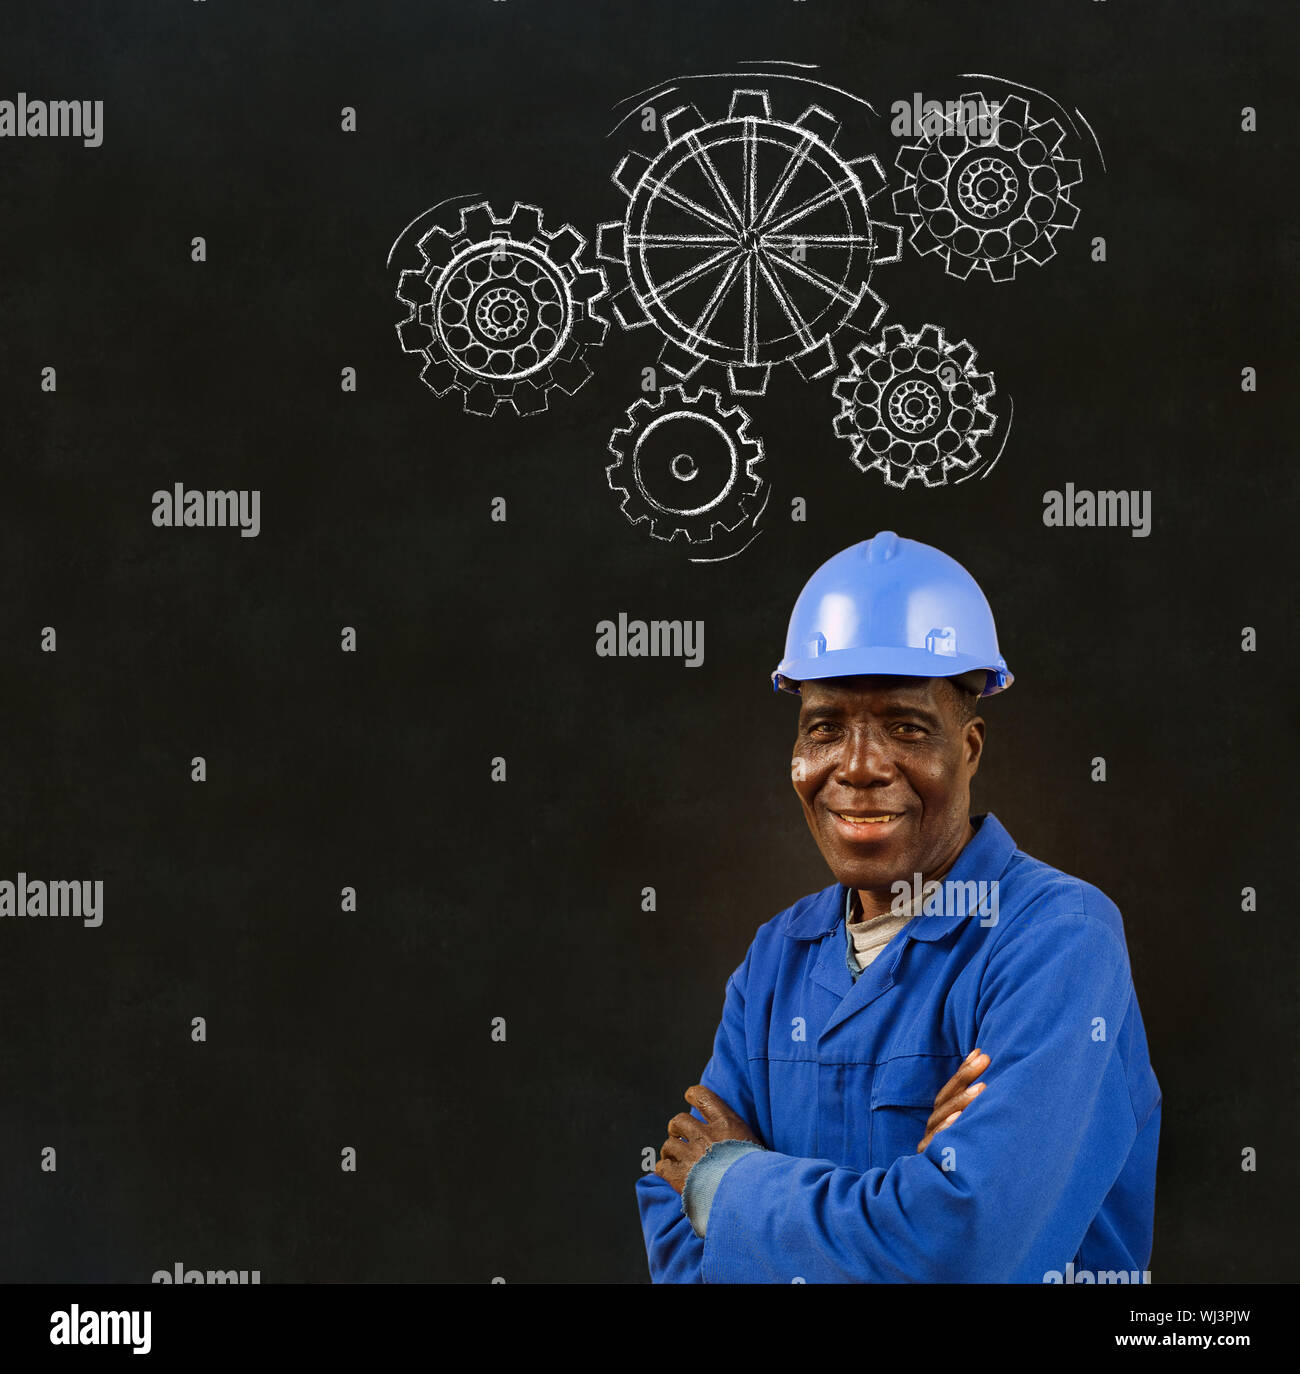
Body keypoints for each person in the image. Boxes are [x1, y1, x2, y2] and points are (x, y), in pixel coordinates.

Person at [635, 530, 1161, 1283]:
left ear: (969, 749)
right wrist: (905, 1202)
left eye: (905, 727)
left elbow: (969, 1249)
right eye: (825, 729)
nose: (858, 767)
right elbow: (674, 1234)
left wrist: (727, 1187)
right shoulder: (777, 958)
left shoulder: (1058, 941)